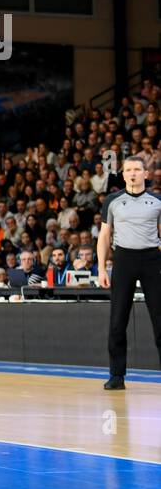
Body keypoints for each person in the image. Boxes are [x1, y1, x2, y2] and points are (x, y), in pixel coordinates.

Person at [98, 155, 161, 390]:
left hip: (152, 259)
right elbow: (104, 236)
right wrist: (103, 268)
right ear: (123, 174)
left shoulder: (157, 201)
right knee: (117, 321)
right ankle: (116, 376)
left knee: (160, 320)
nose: (133, 173)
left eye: (137, 169)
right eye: (128, 170)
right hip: (123, 259)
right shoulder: (112, 201)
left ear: (146, 174)